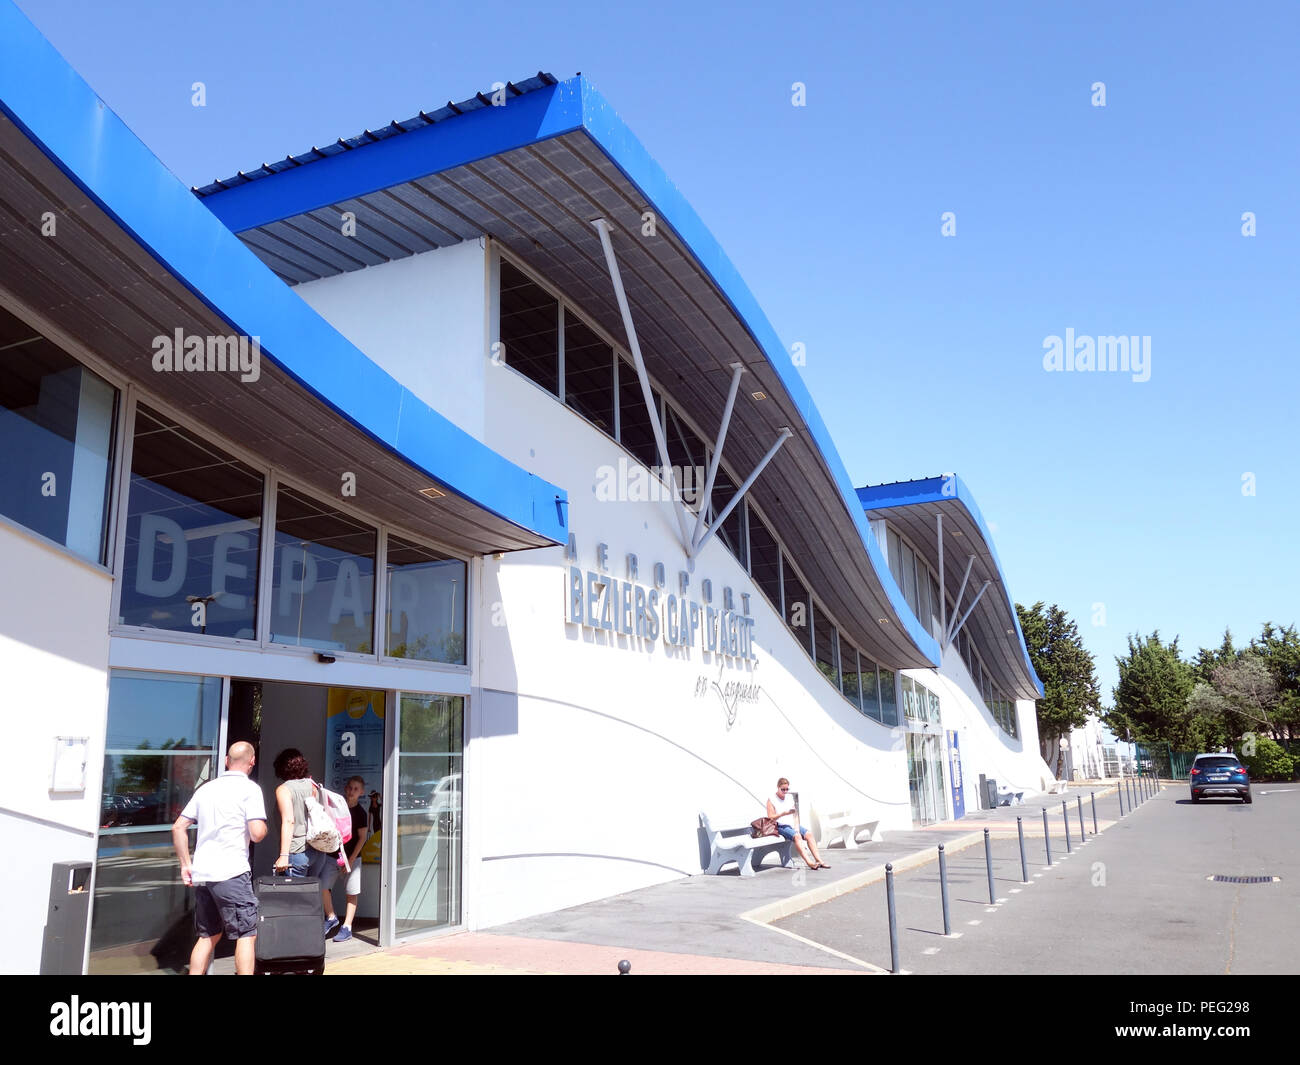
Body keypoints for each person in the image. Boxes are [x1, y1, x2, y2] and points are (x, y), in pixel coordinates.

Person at [170, 741, 268, 975]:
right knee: (246, 933)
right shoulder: (250, 790)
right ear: (252, 762)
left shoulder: (206, 789)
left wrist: (186, 865)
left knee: (208, 934)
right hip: (232, 872)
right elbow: (256, 833)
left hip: (203, 874)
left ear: (226, 760)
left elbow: (178, 827)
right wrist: (264, 827)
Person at [271, 748, 341, 936]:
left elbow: (289, 820)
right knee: (310, 899)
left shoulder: (284, 789)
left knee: (293, 903)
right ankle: (310, 942)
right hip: (317, 851)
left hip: (297, 852)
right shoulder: (313, 786)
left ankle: (296, 945)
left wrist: (283, 855)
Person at [333, 776, 369, 944]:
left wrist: (352, 859)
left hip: (353, 858)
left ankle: (347, 926)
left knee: (351, 892)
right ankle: (331, 917)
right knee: (324, 885)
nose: (352, 791)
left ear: (361, 792)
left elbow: (362, 838)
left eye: (356, 789)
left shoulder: (361, 813)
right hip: (333, 855)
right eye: (350, 787)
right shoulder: (337, 808)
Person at [766, 777, 830, 870]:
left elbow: (795, 815)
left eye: (787, 789)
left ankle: (819, 860)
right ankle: (809, 862)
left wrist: (796, 827)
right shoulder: (771, 799)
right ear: (778, 787)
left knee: (809, 834)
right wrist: (783, 813)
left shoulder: (789, 797)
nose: (785, 791)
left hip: (791, 824)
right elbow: (770, 817)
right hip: (780, 825)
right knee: (797, 836)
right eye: (782, 789)